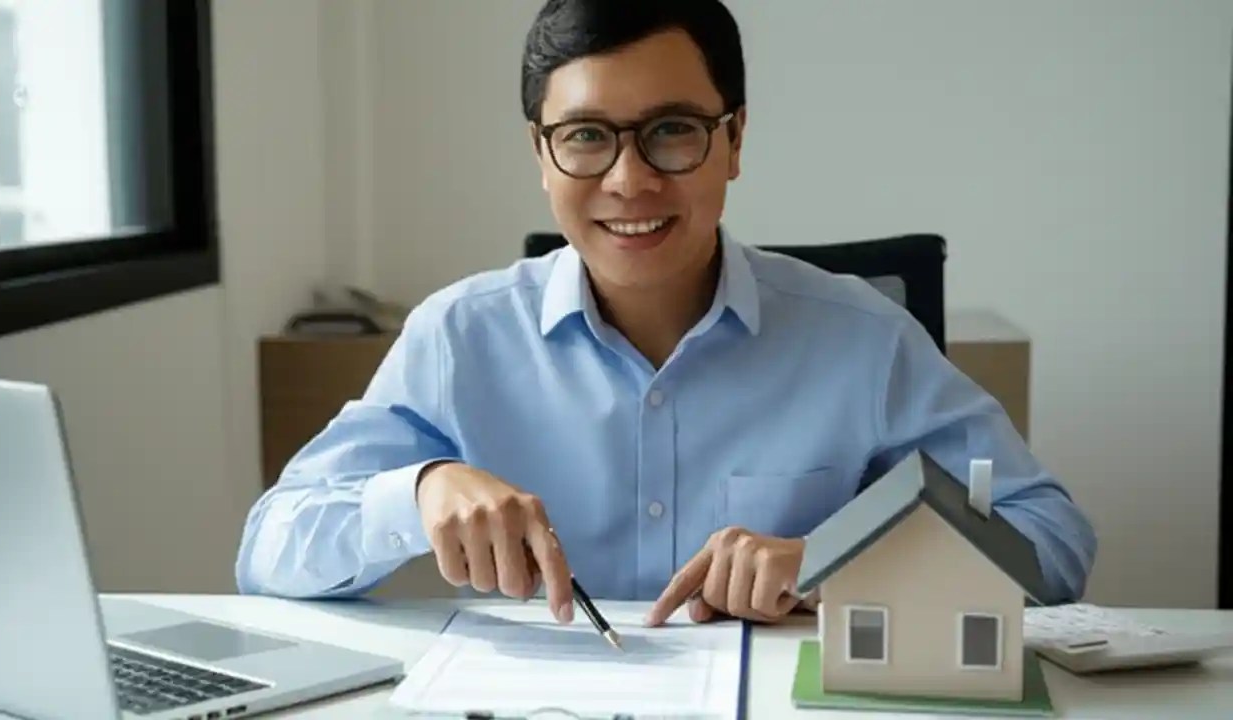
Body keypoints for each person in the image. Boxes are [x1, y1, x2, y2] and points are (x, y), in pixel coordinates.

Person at [235, 0, 1096, 628]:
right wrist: (417, 492)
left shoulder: (860, 337)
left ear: (735, 141)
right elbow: (268, 553)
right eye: (585, 136)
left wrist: (836, 564)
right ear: (541, 153)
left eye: (673, 131)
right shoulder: (460, 337)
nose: (629, 180)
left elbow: (1049, 542)